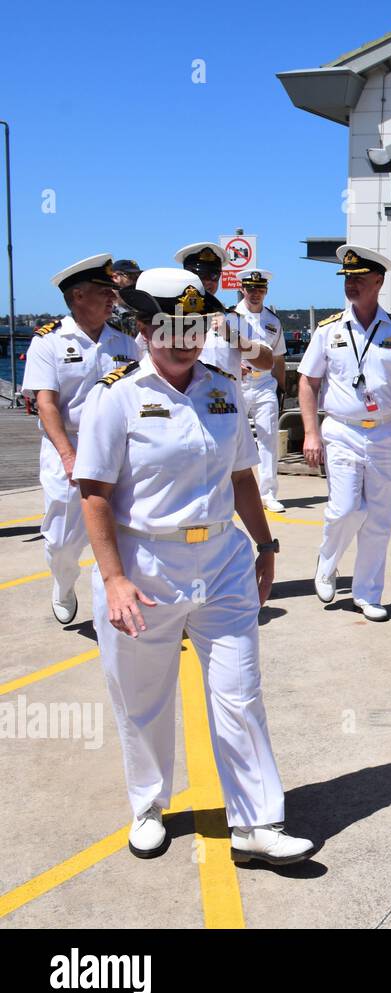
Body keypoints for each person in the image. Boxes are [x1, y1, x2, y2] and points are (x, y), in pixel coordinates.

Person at [74, 267, 314, 865]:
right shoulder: (117, 395)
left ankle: (256, 821)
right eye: (171, 328)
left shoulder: (224, 389)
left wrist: (264, 546)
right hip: (144, 562)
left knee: (239, 692)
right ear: (144, 326)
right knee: (144, 696)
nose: (184, 341)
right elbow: (95, 493)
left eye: (194, 327)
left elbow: (241, 477)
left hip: (223, 559)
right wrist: (113, 578)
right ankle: (149, 806)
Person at [299, 245, 391, 622]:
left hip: (385, 433)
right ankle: (328, 560)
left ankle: (367, 592)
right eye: (347, 278)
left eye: (359, 278)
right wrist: (311, 433)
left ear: (379, 281)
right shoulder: (328, 331)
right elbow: (307, 382)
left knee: (379, 517)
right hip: (340, 429)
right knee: (344, 509)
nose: (351, 284)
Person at [21, 254, 139, 624]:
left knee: (127, 528)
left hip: (117, 448)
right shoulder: (49, 342)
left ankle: (122, 601)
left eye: (112, 292)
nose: (112, 298)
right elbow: (46, 404)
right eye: (103, 292)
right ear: (77, 296)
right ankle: (63, 579)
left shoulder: (126, 343)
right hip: (66, 445)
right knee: (61, 540)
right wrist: (69, 456)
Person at [172, 242, 274, 379]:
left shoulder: (234, 319)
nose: (208, 281)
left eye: (214, 275)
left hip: (224, 399)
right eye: (201, 274)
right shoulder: (168, 317)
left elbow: (267, 362)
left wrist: (233, 337)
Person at [231, 269, 288, 513]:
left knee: (268, 439)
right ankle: (230, 491)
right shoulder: (230, 318)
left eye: (260, 289)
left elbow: (279, 357)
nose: (255, 294)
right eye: (251, 288)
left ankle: (268, 493)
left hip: (265, 384)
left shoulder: (273, 322)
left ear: (266, 291)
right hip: (237, 384)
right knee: (232, 439)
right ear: (242, 289)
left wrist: (283, 389)